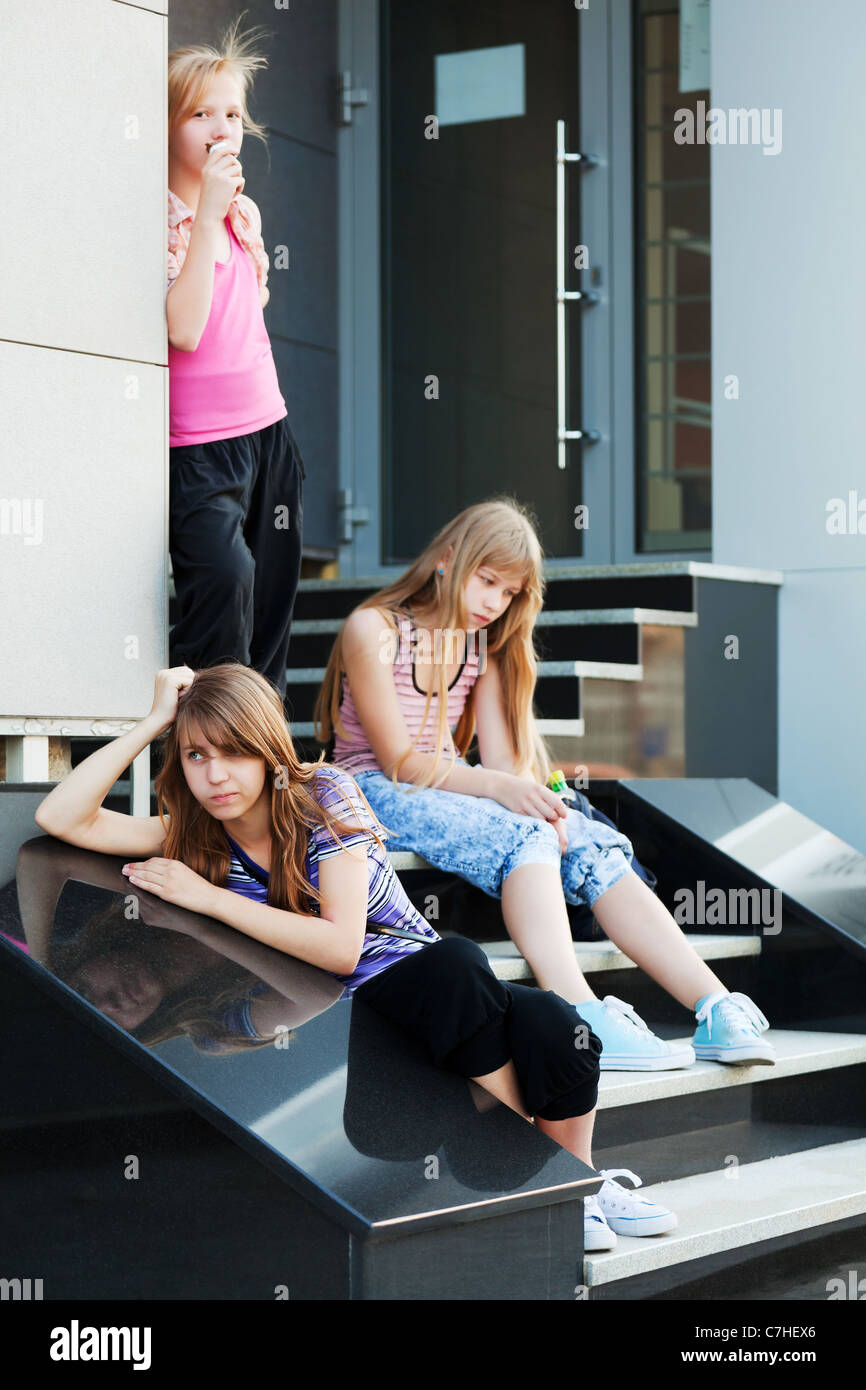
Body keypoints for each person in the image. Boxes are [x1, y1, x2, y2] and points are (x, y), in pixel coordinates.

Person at [32, 663, 679, 1252]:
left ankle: (578, 1190)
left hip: (448, 1027)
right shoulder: (196, 840)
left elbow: (344, 941)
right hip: (384, 1082)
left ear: (265, 749)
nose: (214, 774)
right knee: (458, 964)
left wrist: (210, 899)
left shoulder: (324, 795)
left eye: (232, 752)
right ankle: (552, 1178)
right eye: (197, 755)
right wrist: (152, 722)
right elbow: (62, 816)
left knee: (551, 1020)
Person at [313, 496, 776, 1070]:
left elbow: (504, 763)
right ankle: (577, 1014)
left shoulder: (482, 645)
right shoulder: (373, 628)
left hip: (449, 786)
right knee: (522, 837)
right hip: (371, 787)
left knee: (590, 841)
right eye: (487, 580)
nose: (495, 602)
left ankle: (713, 1006)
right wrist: (507, 797)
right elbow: (400, 760)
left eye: (509, 592)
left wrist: (540, 803)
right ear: (447, 559)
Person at [166, 15, 304, 696]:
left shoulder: (242, 216)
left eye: (231, 113)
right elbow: (184, 329)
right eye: (199, 114)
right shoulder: (159, 219)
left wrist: (222, 209)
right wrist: (204, 211)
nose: (220, 128)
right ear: (166, 126)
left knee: (274, 597)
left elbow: (252, 307)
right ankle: (201, 744)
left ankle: (264, 741)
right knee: (225, 579)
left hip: (267, 432)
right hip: (197, 446)